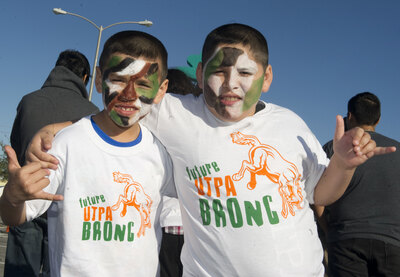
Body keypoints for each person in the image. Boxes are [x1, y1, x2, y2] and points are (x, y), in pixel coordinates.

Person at [24, 24, 395, 276]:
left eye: (246, 74)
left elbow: (320, 193)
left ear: (266, 78)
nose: (230, 85)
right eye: (219, 72)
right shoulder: (173, 112)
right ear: (200, 74)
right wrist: (60, 127)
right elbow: (121, 105)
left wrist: (344, 164)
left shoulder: (291, 126)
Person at [0, 30, 176, 277]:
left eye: (144, 84)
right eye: (118, 79)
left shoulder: (163, 153)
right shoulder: (65, 144)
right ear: (98, 78)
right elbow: (14, 216)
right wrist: (12, 196)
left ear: (161, 90)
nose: (129, 94)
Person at [5, 49, 99, 277]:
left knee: (20, 270)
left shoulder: (28, 101)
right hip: (66, 206)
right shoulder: (91, 113)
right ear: (85, 78)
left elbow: (16, 147)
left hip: (28, 198)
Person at [316, 92, 400, 276]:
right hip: (393, 244)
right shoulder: (397, 149)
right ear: (378, 120)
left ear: (350, 116)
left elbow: (316, 198)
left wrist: (328, 231)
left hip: (345, 241)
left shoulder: (334, 148)